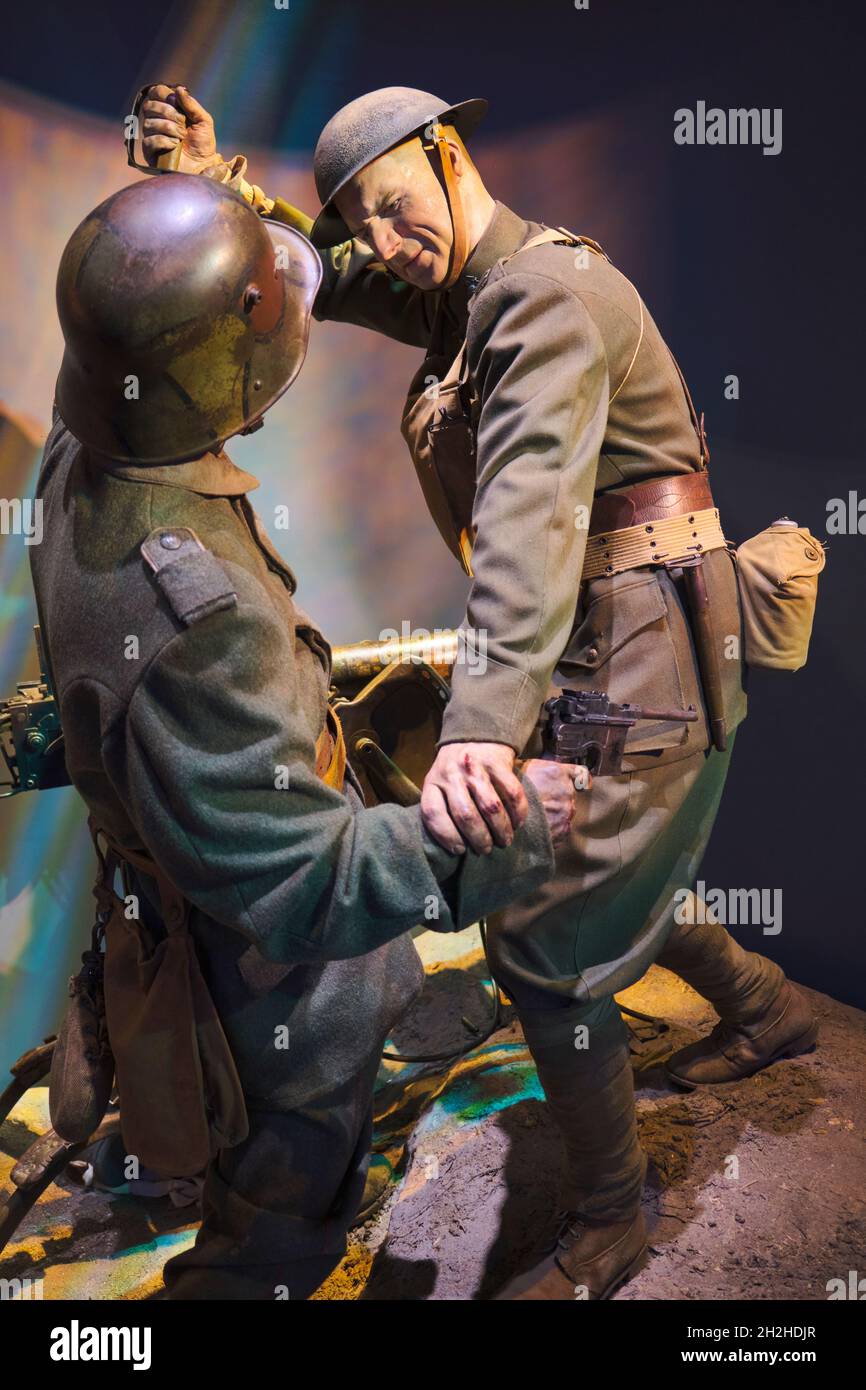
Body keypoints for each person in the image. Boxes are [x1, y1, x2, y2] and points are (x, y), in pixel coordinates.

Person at [138, 85, 818, 1300]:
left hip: (641, 647)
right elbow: (322, 276)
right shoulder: (461, 281)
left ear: (448, 156)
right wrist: (220, 191)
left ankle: (614, 1216)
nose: (389, 247)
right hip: (604, 641)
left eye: (398, 211)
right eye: (368, 227)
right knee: (607, 874)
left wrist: (479, 733)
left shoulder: (537, 296)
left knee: (540, 933)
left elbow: (529, 521)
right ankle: (765, 1011)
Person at [30, 172, 583, 1300]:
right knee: (286, 1207)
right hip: (266, 970)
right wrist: (508, 828)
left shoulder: (78, 445)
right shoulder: (196, 616)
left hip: (183, 866)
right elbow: (300, 885)